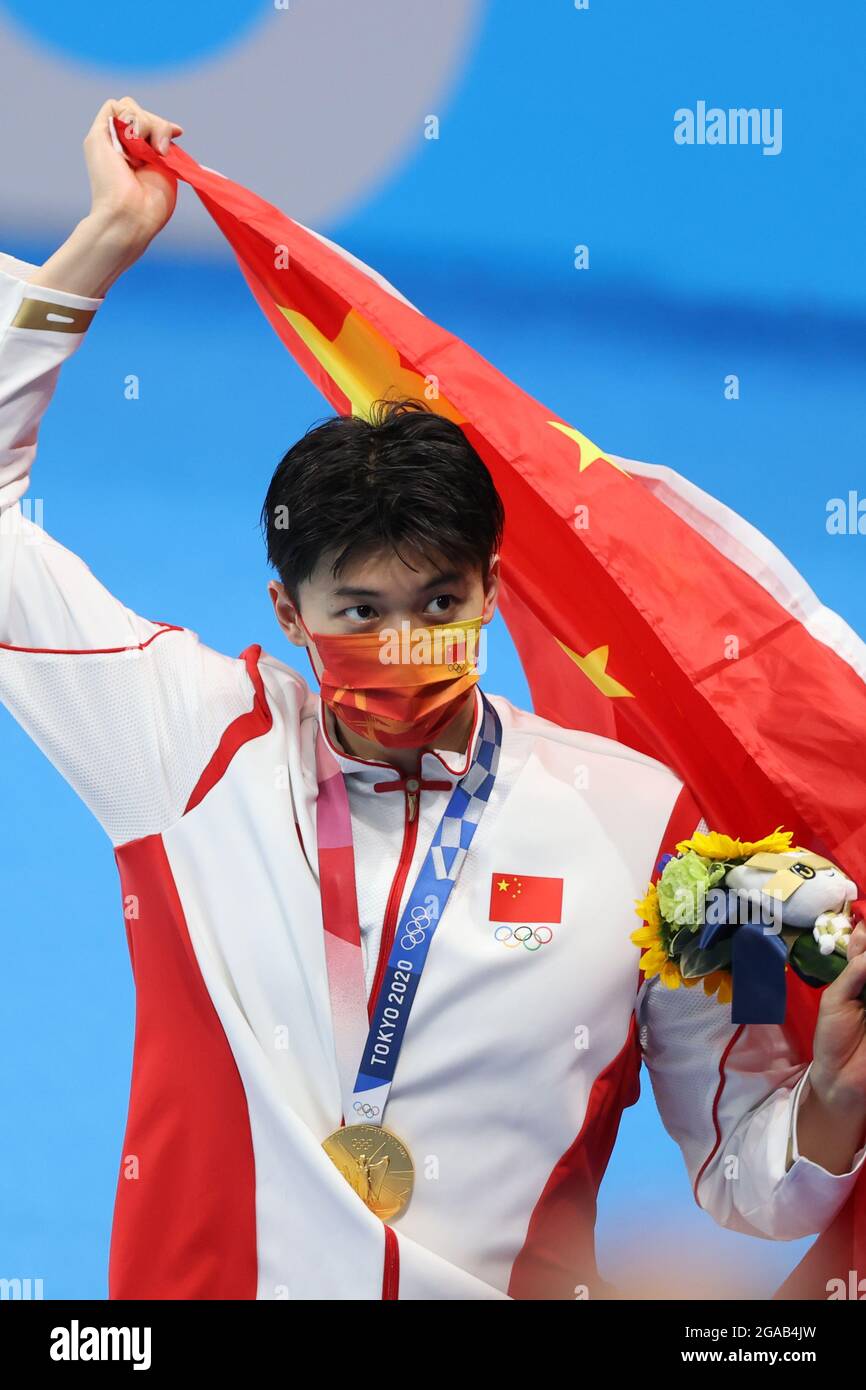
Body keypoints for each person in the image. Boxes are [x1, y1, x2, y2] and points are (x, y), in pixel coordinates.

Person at [2, 96, 866, 1302]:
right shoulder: (182, 743)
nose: (404, 647)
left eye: (440, 602)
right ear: (285, 613)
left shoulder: (638, 822)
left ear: (495, 592)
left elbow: (745, 1181)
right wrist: (100, 240)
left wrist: (826, 1107)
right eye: (358, 613)